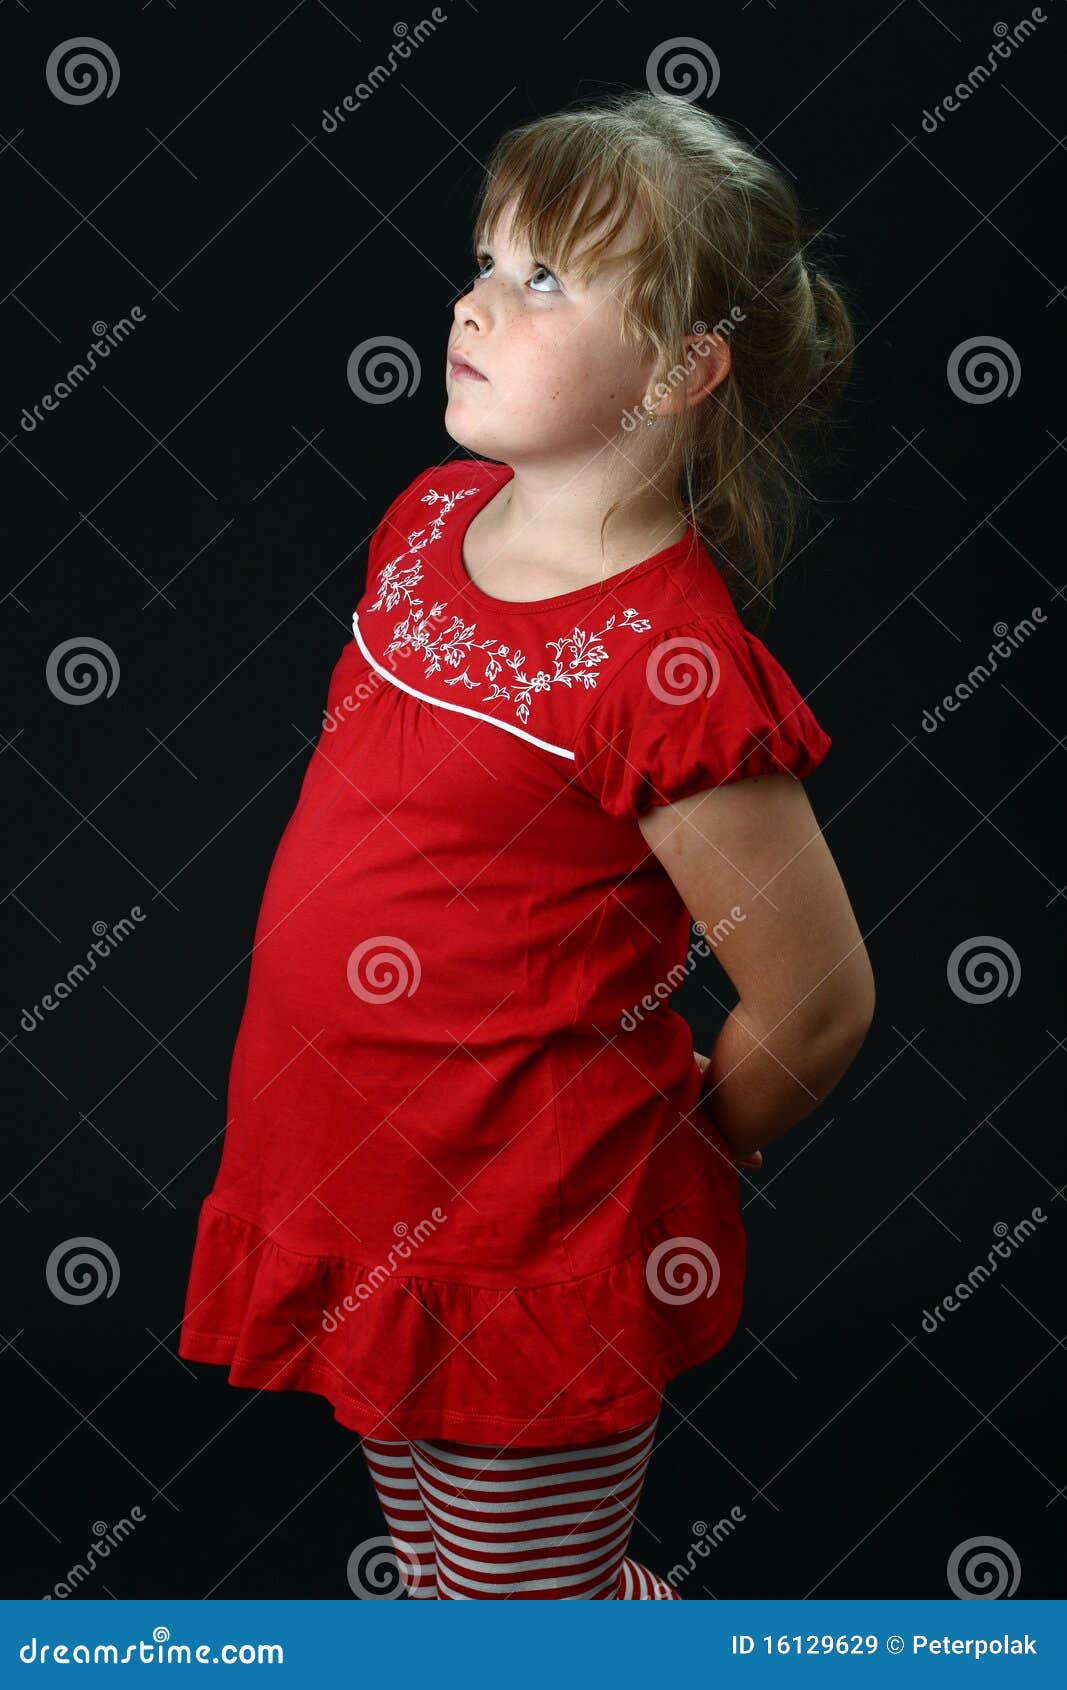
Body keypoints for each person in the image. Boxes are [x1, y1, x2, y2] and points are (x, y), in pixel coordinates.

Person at [177, 90, 875, 1600]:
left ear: (685, 369)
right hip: (356, 1189)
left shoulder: (665, 667)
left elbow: (816, 999)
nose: (476, 299)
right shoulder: (428, 518)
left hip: (518, 1237)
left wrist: (670, 1155)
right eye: (485, 257)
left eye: (547, 278)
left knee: (525, 1613)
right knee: (443, 1583)